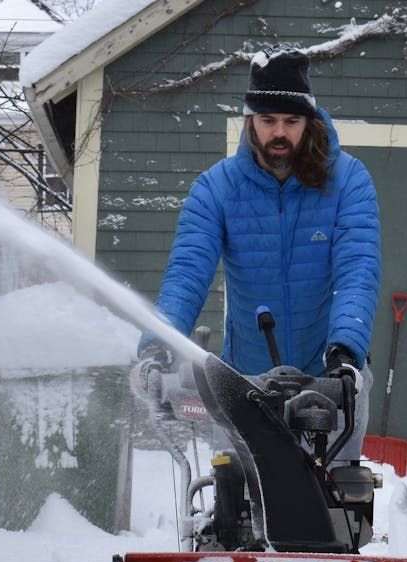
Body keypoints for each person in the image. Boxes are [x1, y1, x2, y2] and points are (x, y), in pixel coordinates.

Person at [138, 47, 381, 462]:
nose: (280, 133)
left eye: (291, 121)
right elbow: (187, 273)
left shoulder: (349, 182)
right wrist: (159, 346)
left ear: (310, 122)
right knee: (235, 501)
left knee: (339, 505)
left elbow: (357, 268)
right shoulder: (217, 188)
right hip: (244, 381)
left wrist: (344, 353)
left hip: (328, 379)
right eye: (268, 121)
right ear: (251, 121)